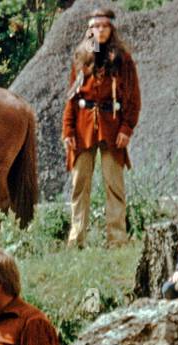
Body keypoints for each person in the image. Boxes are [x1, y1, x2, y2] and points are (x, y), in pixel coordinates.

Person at [62, 7, 141, 249]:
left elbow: (133, 98)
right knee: (79, 185)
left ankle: (117, 239)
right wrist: (68, 131)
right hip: (83, 127)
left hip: (112, 127)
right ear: (89, 29)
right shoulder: (83, 57)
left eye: (104, 26)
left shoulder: (122, 59)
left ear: (111, 29)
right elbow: (72, 97)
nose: (100, 31)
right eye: (95, 27)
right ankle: (76, 241)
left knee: (114, 185)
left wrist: (126, 128)